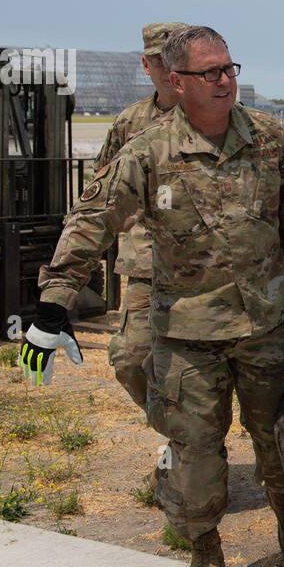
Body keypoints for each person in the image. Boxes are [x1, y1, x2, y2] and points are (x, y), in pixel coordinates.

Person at [20, 25, 284, 567]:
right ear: (177, 82)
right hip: (188, 331)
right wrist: (52, 304)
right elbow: (92, 221)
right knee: (194, 448)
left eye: (230, 69)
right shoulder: (147, 152)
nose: (225, 81)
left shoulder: (269, 139)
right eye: (211, 73)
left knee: (277, 435)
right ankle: (205, 549)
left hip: (265, 323)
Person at [95, 22, 186, 409]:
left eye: (175, 59)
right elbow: (102, 193)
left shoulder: (218, 118)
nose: (167, 69)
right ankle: (178, 435)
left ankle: (195, 451)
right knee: (131, 359)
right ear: (145, 65)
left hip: (216, 264)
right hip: (149, 266)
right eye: (158, 61)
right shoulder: (130, 124)